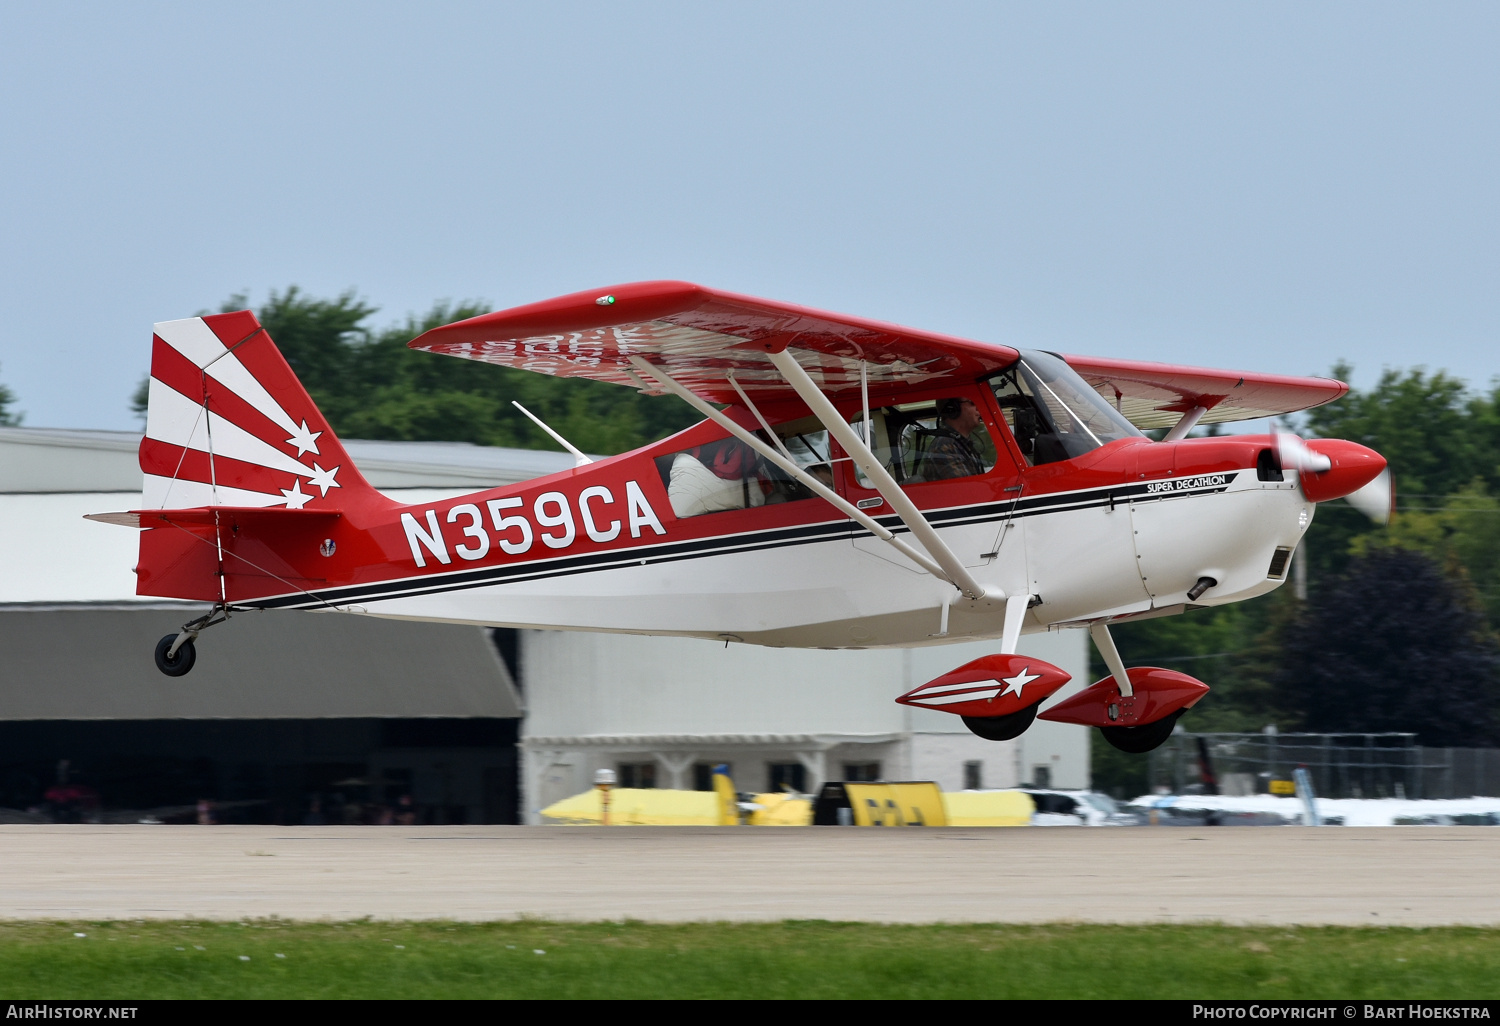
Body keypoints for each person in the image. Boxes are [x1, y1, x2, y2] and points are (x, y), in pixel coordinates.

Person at [922, 398, 989, 479]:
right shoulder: (945, 445)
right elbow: (967, 487)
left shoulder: (962, 444)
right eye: (972, 403)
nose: (978, 408)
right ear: (952, 408)